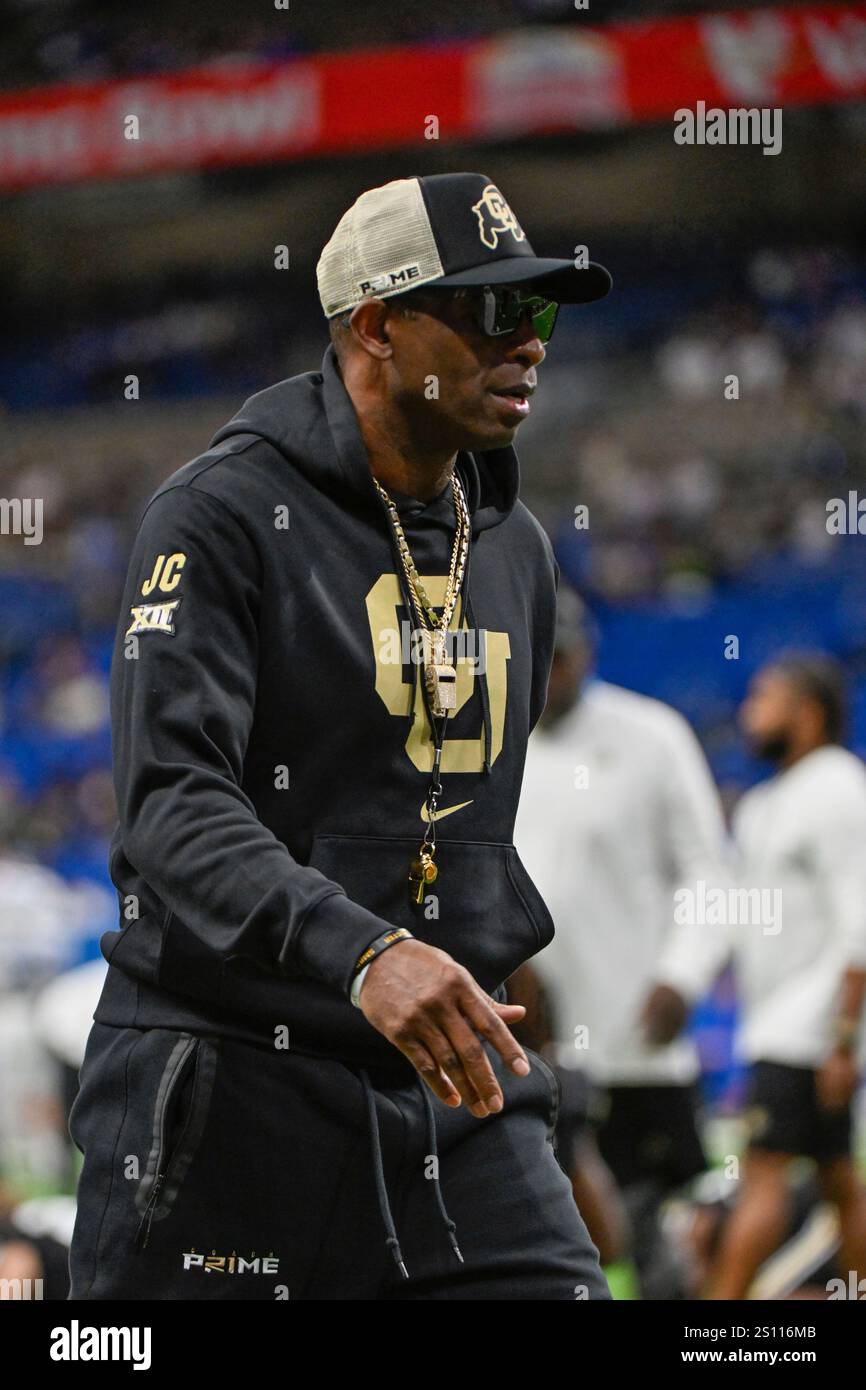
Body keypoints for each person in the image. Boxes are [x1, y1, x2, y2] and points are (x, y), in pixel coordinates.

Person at [67, 172, 615, 1300]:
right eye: (493, 312)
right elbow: (171, 799)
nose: (531, 345)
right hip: (230, 1085)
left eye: (542, 313)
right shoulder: (218, 513)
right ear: (375, 323)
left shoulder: (514, 549)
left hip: (453, 1098)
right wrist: (360, 950)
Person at [512, 586, 730, 1297]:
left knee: (660, 1250)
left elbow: (710, 871)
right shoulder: (495, 747)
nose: (550, 674)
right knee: (551, 1245)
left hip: (638, 1041)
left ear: (589, 654)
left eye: (563, 657)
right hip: (536, 1048)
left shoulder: (651, 735)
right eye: (537, 658)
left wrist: (683, 975)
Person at [706, 653, 866, 1299]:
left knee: (764, 1174)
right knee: (836, 1178)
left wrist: (841, 1038)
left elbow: (860, 919)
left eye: (763, 699)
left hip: (806, 1026)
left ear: (807, 713)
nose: (749, 714)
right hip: (772, 1020)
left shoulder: (838, 788)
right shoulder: (766, 802)